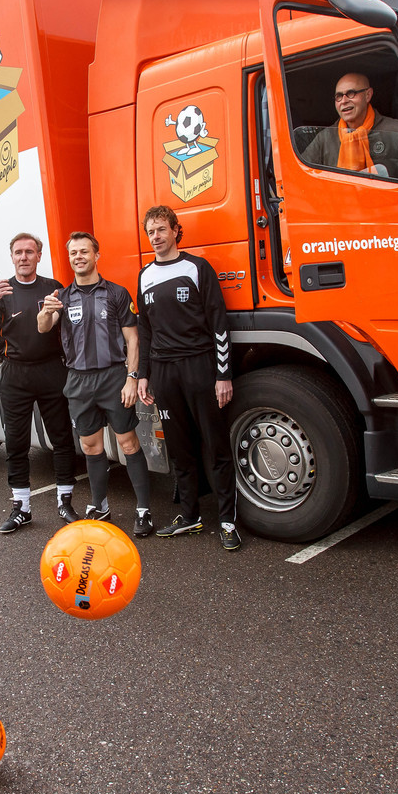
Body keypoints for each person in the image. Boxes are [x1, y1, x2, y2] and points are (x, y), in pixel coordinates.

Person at [135, 205, 242, 551]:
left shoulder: (196, 268)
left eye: (162, 230)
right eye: (151, 231)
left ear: (176, 231)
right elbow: (145, 330)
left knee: (216, 446)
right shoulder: (144, 275)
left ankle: (227, 521)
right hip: (164, 373)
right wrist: (143, 376)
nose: (156, 237)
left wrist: (223, 374)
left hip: (200, 366)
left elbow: (218, 322)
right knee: (179, 449)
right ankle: (190, 516)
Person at [38, 232, 156, 537]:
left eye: (84, 252)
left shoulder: (116, 293)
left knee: (128, 442)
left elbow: (133, 340)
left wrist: (131, 378)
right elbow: (43, 327)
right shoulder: (60, 297)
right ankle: (100, 505)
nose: (79, 257)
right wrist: (46, 311)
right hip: (78, 380)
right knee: (90, 445)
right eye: (73, 253)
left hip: (113, 377)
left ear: (96, 255)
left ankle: (144, 511)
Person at [0, 232, 79, 533]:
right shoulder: (1, 292)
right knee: (16, 442)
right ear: (12, 257)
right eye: (18, 252)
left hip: (51, 370)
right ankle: (22, 508)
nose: (24, 257)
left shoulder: (53, 288)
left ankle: (65, 502)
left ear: (39, 256)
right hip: (15, 374)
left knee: (62, 438)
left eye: (30, 251)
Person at [301, 72, 398, 178]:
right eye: (339, 96)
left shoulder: (396, 130)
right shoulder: (325, 138)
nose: (344, 101)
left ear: (368, 95)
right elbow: (300, 172)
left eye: (351, 93)